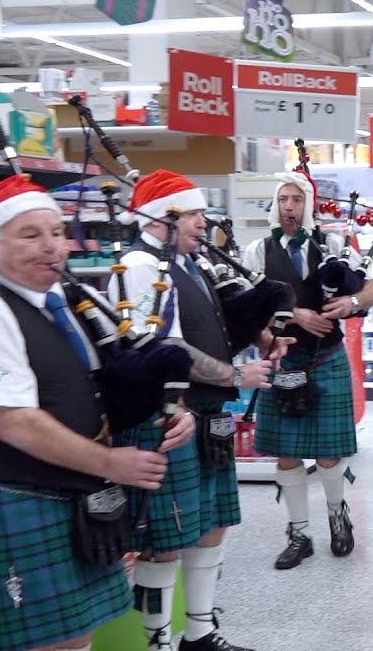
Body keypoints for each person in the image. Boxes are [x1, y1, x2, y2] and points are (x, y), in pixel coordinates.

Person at [0, 175, 190, 651]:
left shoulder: (66, 305)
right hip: (18, 495)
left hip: (76, 499)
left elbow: (104, 388)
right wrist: (109, 464)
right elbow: (12, 420)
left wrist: (171, 409)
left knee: (75, 637)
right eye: (29, 235)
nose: (50, 246)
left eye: (56, 232)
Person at [114, 170, 281, 651]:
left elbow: (216, 329)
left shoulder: (191, 265)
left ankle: (201, 633)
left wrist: (263, 339)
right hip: (167, 418)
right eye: (192, 214)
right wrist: (234, 376)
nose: (202, 223)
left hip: (208, 415)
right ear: (162, 217)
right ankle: (157, 642)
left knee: (211, 523)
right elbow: (158, 347)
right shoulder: (140, 266)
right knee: (164, 537)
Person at [240, 169, 373, 569]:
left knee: (328, 452)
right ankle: (299, 533)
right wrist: (295, 315)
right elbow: (243, 310)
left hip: (326, 357)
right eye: (284, 199)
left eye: (297, 199)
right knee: (286, 455)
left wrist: (351, 305)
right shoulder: (257, 252)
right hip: (282, 357)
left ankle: (338, 516)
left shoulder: (332, 244)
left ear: (309, 204)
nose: (289, 206)